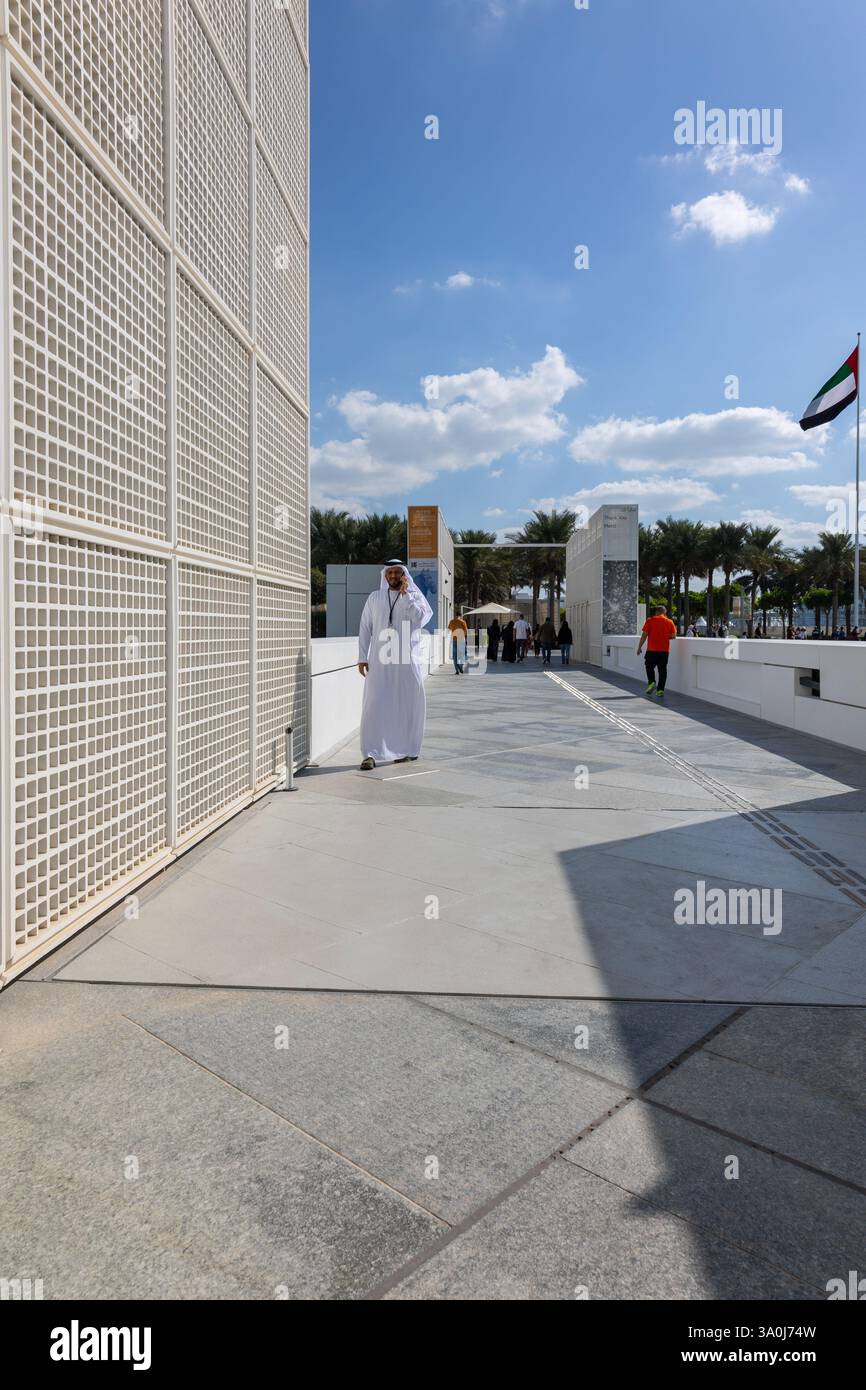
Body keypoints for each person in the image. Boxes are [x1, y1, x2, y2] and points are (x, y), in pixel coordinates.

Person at [357, 560, 433, 770]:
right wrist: (362, 656)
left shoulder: (415, 597)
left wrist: (406, 595)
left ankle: (408, 750)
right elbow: (365, 627)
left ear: (403, 574)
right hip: (379, 661)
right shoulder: (375, 597)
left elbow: (419, 620)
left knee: (409, 703)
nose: (393, 575)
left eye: (397, 572)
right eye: (389, 572)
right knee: (374, 704)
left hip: (407, 660)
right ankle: (370, 753)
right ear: (385, 575)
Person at [637, 603, 677, 699]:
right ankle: (660, 690)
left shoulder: (650, 621)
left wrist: (639, 647)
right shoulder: (669, 622)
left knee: (649, 666)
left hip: (652, 650)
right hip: (664, 651)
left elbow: (644, 635)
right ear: (664, 612)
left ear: (657, 612)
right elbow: (673, 636)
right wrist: (664, 637)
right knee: (662, 670)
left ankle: (652, 682)